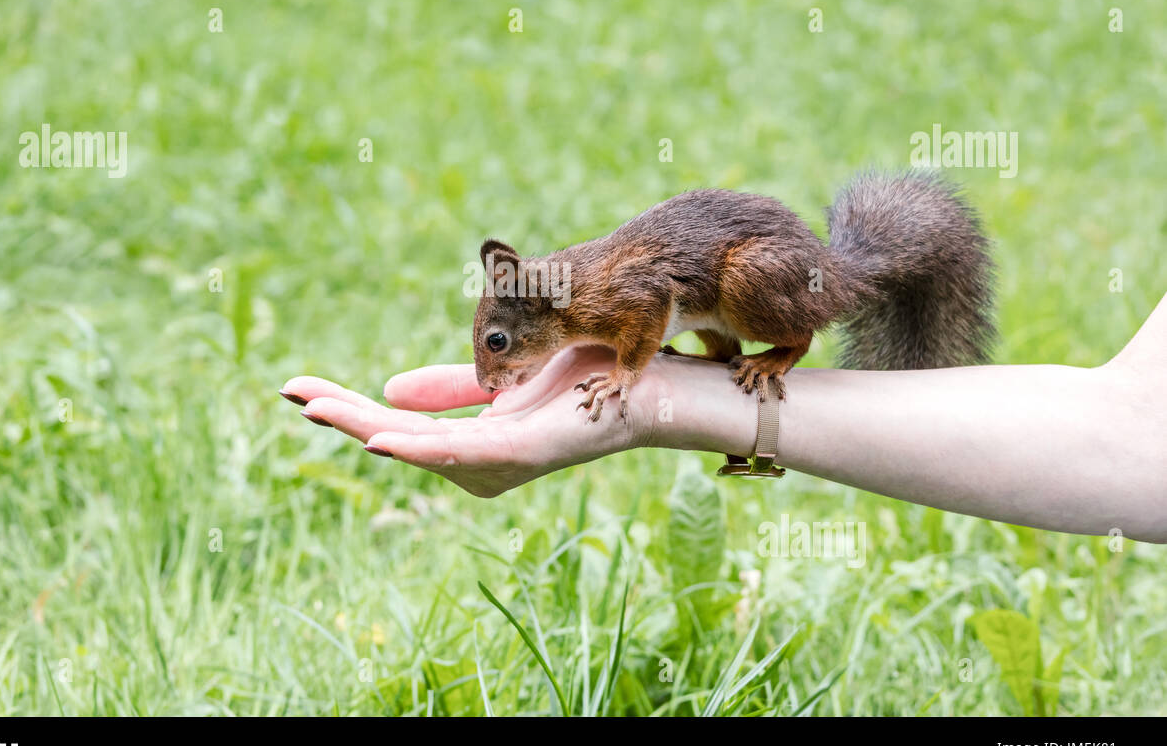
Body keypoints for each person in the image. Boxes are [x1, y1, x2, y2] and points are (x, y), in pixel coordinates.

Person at [280, 293, 1167, 543]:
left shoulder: (602, 304)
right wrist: (667, 401)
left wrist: (635, 375)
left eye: (505, 351)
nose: (498, 371)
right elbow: (1139, 430)